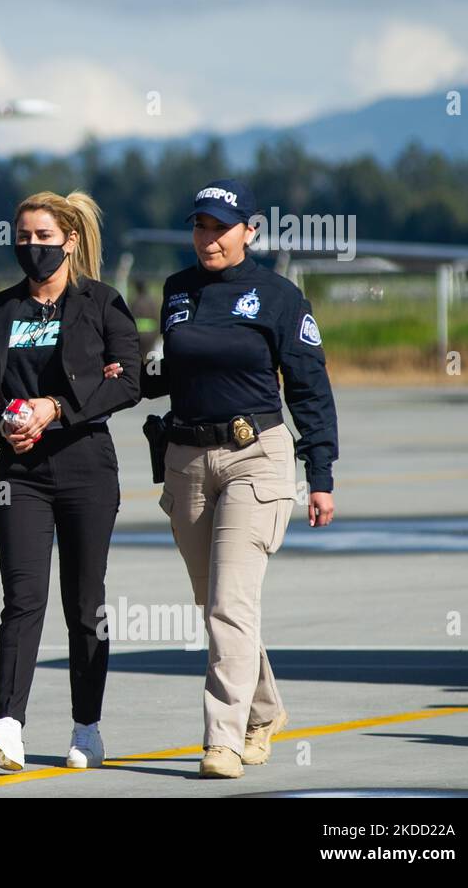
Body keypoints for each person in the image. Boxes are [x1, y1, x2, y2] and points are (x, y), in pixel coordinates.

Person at [132, 177, 338, 779]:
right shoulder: (177, 291)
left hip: (257, 456)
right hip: (188, 458)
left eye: (221, 227)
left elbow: (309, 387)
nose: (209, 237)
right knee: (217, 605)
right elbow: (166, 371)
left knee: (230, 602)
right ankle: (265, 709)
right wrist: (116, 373)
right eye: (200, 225)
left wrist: (320, 472)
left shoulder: (279, 297)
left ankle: (221, 739)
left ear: (250, 230)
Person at [0, 191, 140, 771]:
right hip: (21, 472)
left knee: (85, 604)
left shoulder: (103, 303)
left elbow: (129, 381)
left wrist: (58, 407)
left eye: (43, 237)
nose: (31, 247)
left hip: (87, 465)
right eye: (23, 237)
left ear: (69, 240)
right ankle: (8, 724)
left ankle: (86, 727)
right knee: (22, 599)